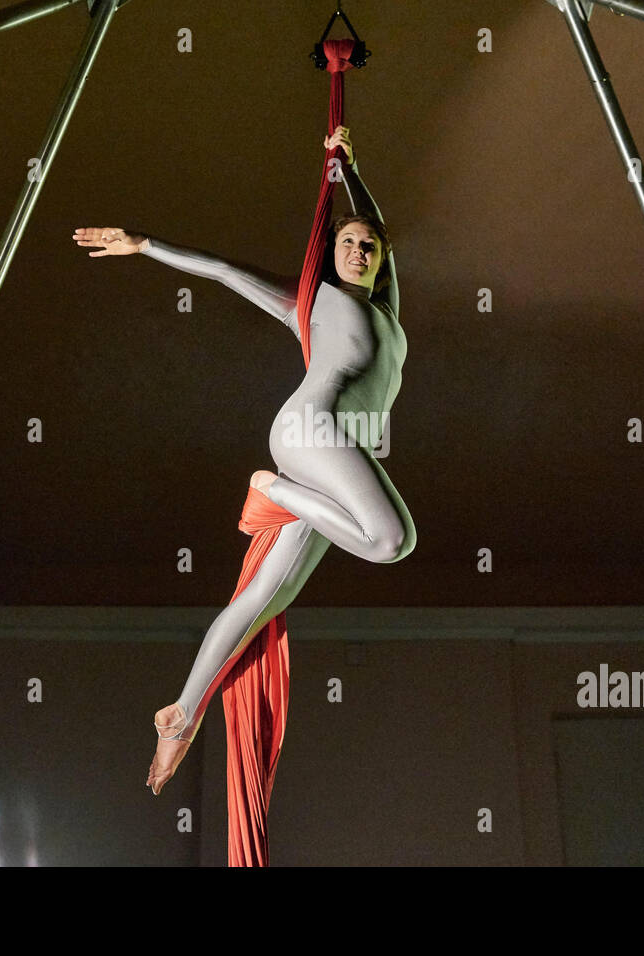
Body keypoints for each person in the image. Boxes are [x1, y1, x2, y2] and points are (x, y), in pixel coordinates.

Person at [73, 126, 414, 796]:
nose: (359, 248)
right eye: (345, 241)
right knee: (391, 540)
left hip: (333, 457)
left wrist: (351, 168)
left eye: (368, 245)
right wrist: (145, 245)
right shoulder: (315, 300)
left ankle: (182, 711)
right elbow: (227, 272)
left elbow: (378, 229)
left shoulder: (389, 313)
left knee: (268, 594)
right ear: (330, 255)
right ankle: (278, 492)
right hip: (308, 436)